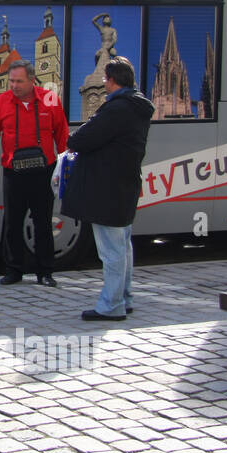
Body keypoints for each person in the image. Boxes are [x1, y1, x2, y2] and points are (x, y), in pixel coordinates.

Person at [60, 57, 155, 321]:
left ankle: (111, 305)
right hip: (125, 184)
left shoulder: (117, 109)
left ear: (112, 81)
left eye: (105, 80)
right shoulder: (138, 106)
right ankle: (124, 297)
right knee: (123, 246)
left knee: (111, 250)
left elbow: (83, 138)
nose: (103, 84)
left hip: (107, 187)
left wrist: (73, 139)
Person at [0, 59, 69, 286]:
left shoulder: (50, 99)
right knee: (12, 222)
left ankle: (45, 272)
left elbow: (62, 133)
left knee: (43, 222)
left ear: (32, 80)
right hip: (14, 171)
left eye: (19, 81)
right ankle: (13, 270)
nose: (14, 85)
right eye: (11, 81)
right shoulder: (1, 102)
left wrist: (64, 164)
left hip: (44, 170)